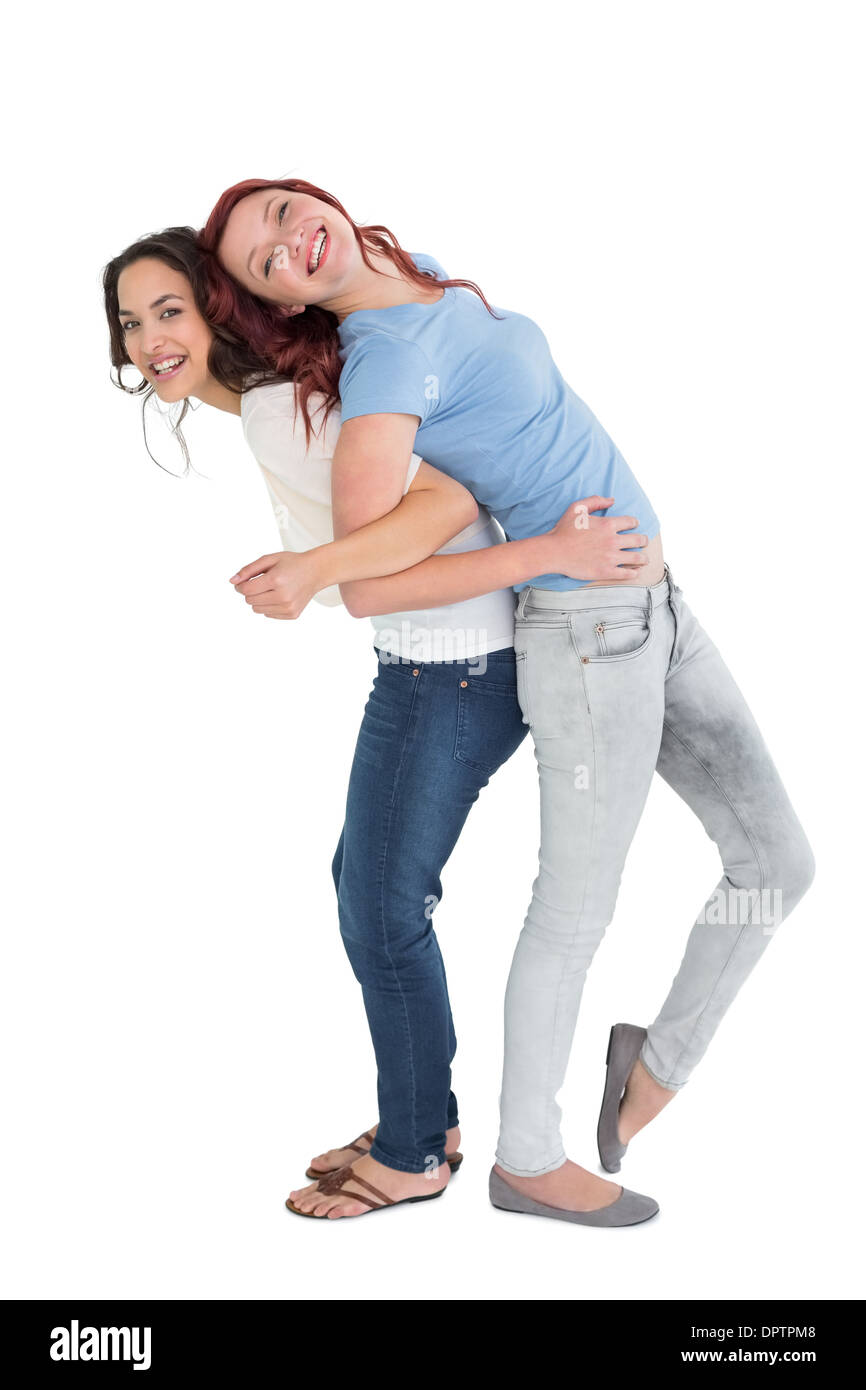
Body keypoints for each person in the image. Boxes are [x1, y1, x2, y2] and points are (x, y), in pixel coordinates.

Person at [199, 177, 816, 1228]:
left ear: (316, 195)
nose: (290, 238)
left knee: (777, 861)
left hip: (657, 607)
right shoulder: (383, 371)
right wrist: (546, 553)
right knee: (569, 913)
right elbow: (370, 584)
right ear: (286, 303)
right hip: (584, 634)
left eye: (281, 211)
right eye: (266, 260)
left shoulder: (424, 279)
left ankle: (656, 1064)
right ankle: (525, 1157)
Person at [104, 228, 640, 1221]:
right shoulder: (283, 399)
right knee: (365, 887)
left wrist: (318, 574)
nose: (147, 340)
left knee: (382, 909)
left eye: (168, 311)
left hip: (454, 672)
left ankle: (411, 1152)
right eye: (131, 323)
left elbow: (443, 498)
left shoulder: (277, 408)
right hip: (441, 667)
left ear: (220, 307)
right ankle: (421, 1122)